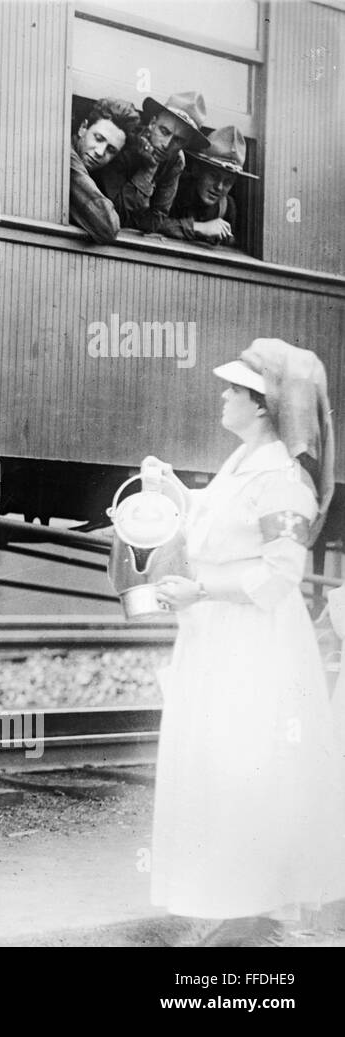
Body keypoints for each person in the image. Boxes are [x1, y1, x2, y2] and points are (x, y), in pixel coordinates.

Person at [149, 339, 345, 945]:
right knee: (216, 764)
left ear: (263, 407)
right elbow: (216, 519)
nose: (224, 395)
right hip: (218, 640)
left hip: (254, 646)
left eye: (235, 388)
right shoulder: (242, 467)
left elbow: (280, 573)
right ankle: (236, 902)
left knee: (244, 765)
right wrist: (173, 489)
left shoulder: (284, 478)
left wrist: (200, 591)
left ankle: (260, 911)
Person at [94, 91, 210, 234]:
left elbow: (155, 220)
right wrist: (148, 170)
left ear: (185, 144)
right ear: (152, 123)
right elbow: (116, 216)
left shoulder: (176, 161)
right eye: (164, 131)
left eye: (178, 140)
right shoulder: (124, 142)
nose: (166, 144)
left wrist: (151, 167)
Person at [154, 126, 257, 246]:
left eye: (228, 182)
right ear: (197, 170)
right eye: (214, 176)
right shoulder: (174, 188)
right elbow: (150, 223)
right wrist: (197, 228)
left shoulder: (227, 207)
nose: (219, 187)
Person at [69, 98, 139, 243]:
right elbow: (107, 227)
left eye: (111, 150)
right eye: (99, 138)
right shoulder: (68, 158)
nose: (100, 152)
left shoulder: (93, 169)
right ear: (83, 127)